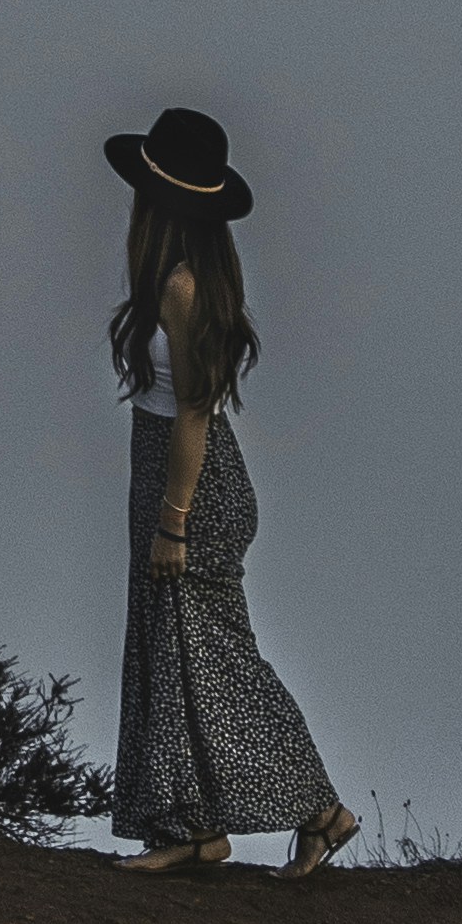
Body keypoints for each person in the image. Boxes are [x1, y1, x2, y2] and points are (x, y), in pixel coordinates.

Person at [103, 103, 354, 876]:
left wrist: (174, 521)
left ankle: (320, 810)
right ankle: (193, 829)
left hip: (194, 487)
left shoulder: (183, 288)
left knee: (213, 656)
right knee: (171, 648)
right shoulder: (177, 281)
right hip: (166, 475)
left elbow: (192, 415)